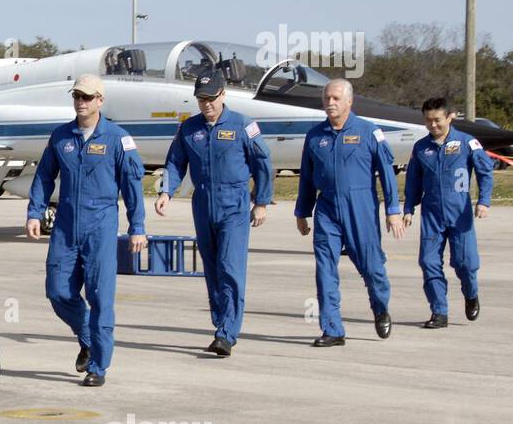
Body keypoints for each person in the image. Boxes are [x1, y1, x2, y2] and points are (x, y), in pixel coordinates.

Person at [26, 74, 147, 387]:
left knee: (100, 298)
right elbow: (43, 177)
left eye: (88, 97)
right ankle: (87, 336)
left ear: (100, 101)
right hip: (66, 226)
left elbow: (132, 187)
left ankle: (98, 366)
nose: (82, 102)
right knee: (57, 291)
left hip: (101, 227)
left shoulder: (118, 139)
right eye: (78, 96)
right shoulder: (60, 137)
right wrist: (35, 212)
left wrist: (137, 227)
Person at [155, 68, 274, 356]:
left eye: (211, 99)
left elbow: (263, 163)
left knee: (229, 267)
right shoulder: (189, 128)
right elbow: (174, 162)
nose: (206, 105)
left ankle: (227, 333)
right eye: (201, 100)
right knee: (211, 269)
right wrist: (165, 191)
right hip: (203, 202)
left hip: (234, 203)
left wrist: (261, 202)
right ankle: (220, 323)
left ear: (223, 95)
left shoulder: (244, 125)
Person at [294, 78, 405, 346]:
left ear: (349, 102)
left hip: (361, 207)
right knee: (324, 268)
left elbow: (387, 175)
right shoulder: (315, 136)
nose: (330, 102)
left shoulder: (369, 132)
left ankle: (380, 308)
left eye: (335, 98)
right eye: (327, 98)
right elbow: (306, 177)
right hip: (327, 209)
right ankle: (333, 329)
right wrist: (302, 211)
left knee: (372, 268)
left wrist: (393, 210)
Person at [402, 96, 494, 328]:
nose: (433, 125)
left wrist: (484, 201)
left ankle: (470, 293)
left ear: (450, 116)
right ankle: (439, 312)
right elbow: (413, 180)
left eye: (438, 120)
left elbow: (485, 171)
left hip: (459, 213)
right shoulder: (421, 148)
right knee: (428, 262)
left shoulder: (466, 142)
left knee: (465, 263)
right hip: (431, 214)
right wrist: (408, 208)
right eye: (428, 121)